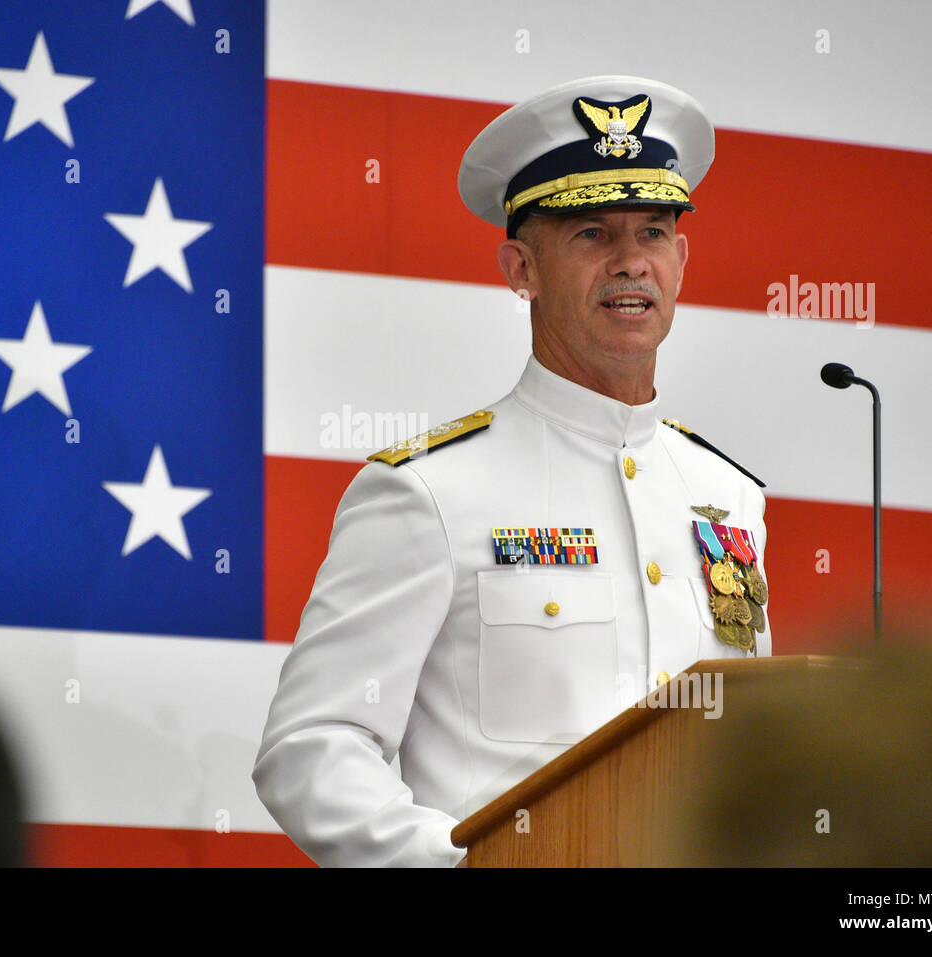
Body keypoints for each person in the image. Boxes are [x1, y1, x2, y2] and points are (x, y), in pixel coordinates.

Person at [253, 75, 773, 867]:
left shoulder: (728, 494)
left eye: (655, 232)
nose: (631, 262)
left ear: (683, 259)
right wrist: (474, 864)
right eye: (592, 235)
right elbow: (310, 745)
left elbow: (751, 744)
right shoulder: (429, 491)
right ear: (520, 269)